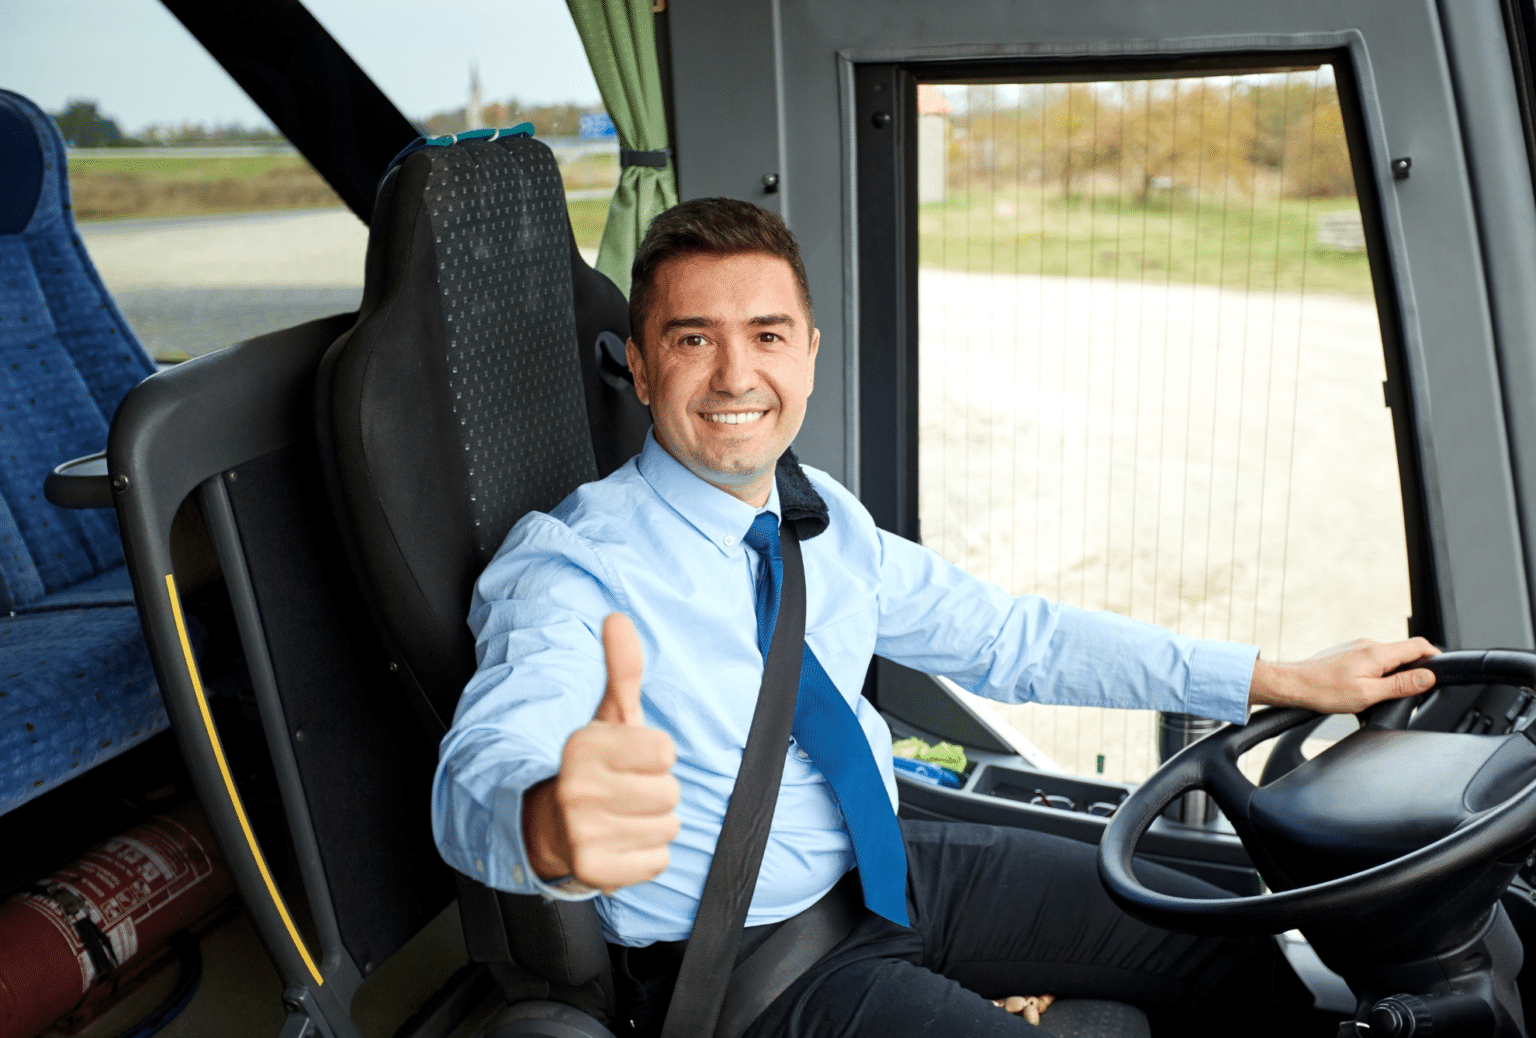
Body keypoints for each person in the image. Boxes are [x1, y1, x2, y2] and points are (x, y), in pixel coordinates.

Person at [431, 198, 1439, 1037]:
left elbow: (1014, 638)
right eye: (694, 340)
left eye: (767, 337)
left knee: (1217, 937)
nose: (737, 376)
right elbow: (483, 764)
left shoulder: (817, 516)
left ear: (809, 356)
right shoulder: (572, 568)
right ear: (642, 369)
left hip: (891, 872)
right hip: (747, 965)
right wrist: (546, 820)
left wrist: (1277, 677)